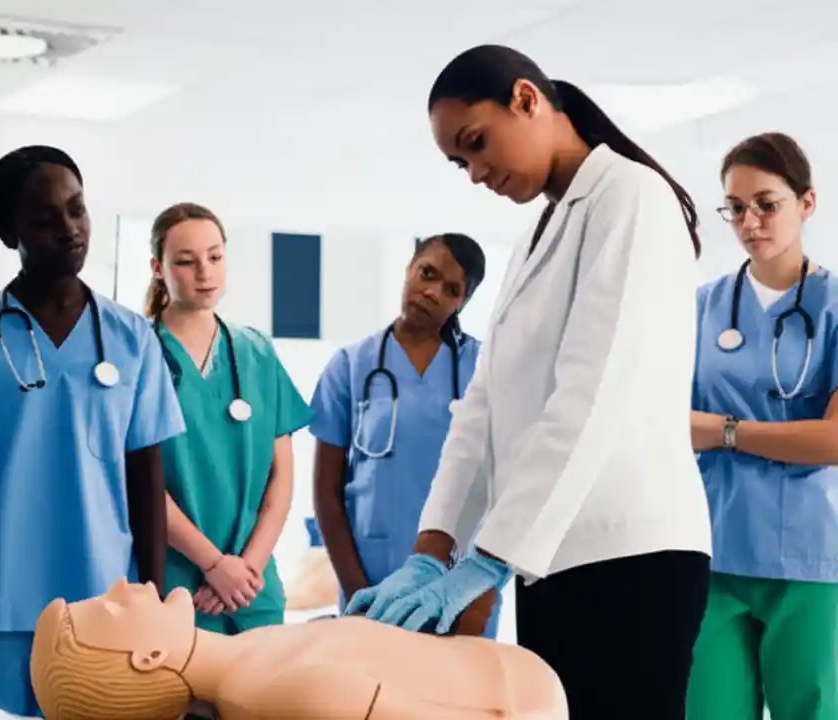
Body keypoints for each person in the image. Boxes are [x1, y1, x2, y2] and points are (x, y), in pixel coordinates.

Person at [355, 44, 712, 718]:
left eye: (476, 144)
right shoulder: (538, 234)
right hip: (550, 558)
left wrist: (488, 559)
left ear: (527, 98)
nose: (474, 172)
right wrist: (432, 553)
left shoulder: (630, 196)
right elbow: (482, 410)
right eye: (460, 161)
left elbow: (592, 394)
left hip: (631, 555)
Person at [0, 145, 186, 716]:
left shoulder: (132, 340)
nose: (70, 230)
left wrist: (151, 598)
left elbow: (146, 480)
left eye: (77, 210)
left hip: (106, 609)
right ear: (10, 234)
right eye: (45, 220)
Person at [687, 132, 838, 720]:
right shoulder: (699, 308)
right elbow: (663, 424)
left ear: (806, 203)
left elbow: (832, 440)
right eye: (735, 207)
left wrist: (723, 430)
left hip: (811, 557)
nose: (750, 221)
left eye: (767, 204)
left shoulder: (832, 306)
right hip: (712, 549)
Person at [312, 234, 502, 637]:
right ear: (409, 269)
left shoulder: (486, 368)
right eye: (426, 274)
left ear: (462, 303)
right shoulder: (349, 365)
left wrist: (480, 589)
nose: (431, 292)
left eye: (451, 290)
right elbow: (327, 495)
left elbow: (505, 484)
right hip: (370, 577)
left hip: (458, 587)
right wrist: (357, 592)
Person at [28, 579, 569, 720]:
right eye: (112, 609)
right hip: (522, 695)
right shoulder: (266, 695)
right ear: (147, 659)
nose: (124, 586)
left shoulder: (250, 661)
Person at [143, 202, 312, 634]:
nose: (205, 272)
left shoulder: (256, 352)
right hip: (175, 588)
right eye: (186, 261)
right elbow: (137, 482)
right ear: (158, 268)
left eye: (215, 257)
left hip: (252, 589)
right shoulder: (136, 355)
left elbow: (281, 479)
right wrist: (213, 565)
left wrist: (243, 572)